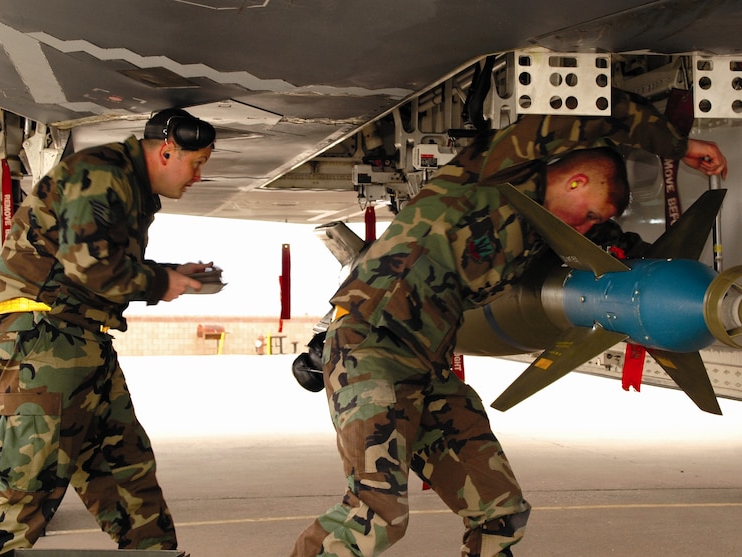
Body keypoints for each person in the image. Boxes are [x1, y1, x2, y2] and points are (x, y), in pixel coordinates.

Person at [290, 89, 727, 557]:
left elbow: (613, 250)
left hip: (424, 369)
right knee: (376, 515)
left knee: (501, 511)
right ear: (577, 181)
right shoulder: (495, 170)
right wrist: (678, 146)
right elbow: (590, 110)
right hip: (370, 348)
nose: (585, 228)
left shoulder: (537, 237)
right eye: (592, 215)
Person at [0, 108, 217, 555]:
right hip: (44, 343)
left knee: (127, 478)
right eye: (196, 164)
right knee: (25, 490)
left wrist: (170, 273)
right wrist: (160, 282)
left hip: (81, 341)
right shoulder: (101, 174)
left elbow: (91, 259)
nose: (198, 177)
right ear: (166, 150)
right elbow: (90, 266)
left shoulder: (125, 183)